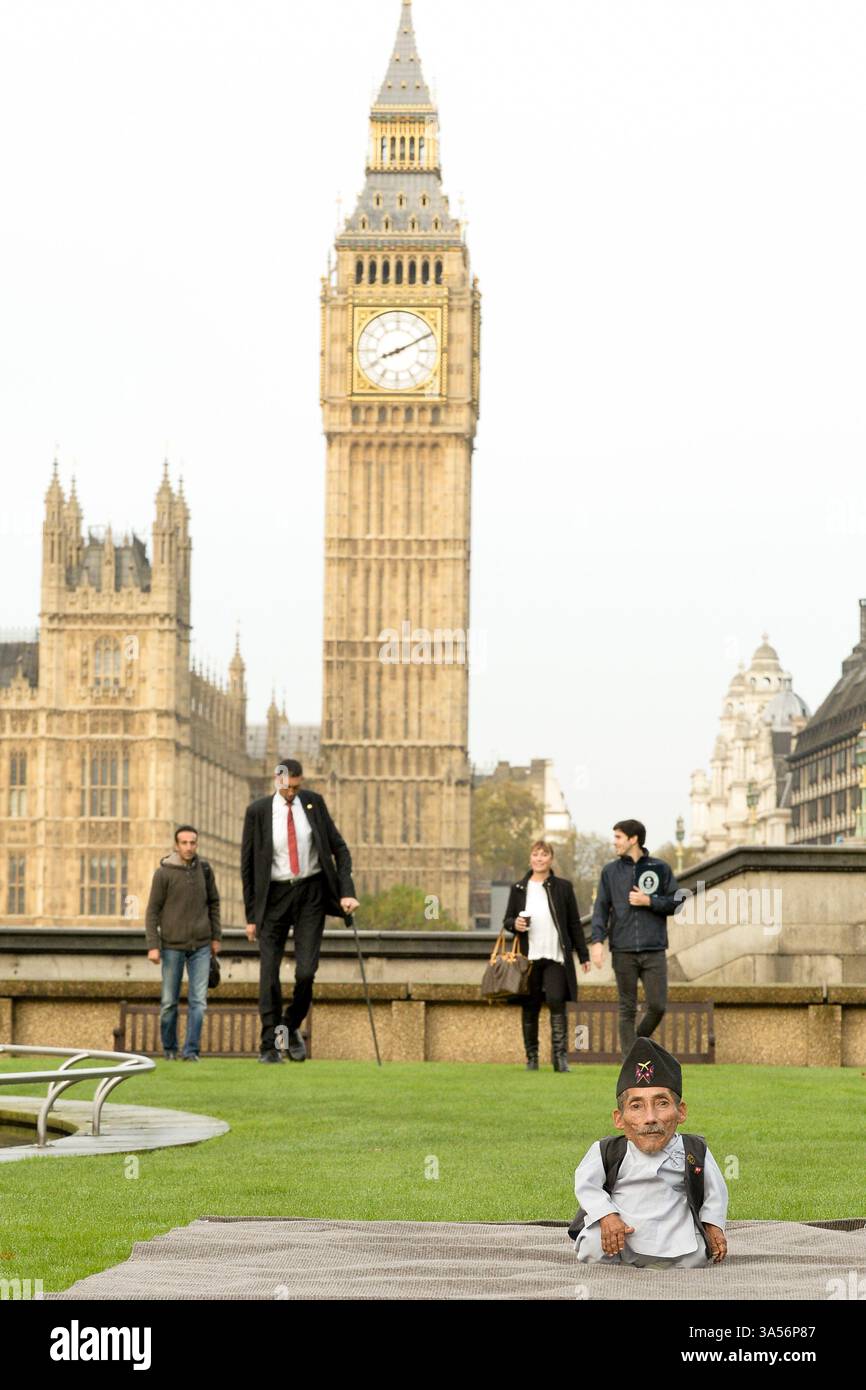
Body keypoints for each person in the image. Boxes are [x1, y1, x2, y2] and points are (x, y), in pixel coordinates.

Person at [570, 1037, 728, 1267]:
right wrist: (606, 1216)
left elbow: (716, 1192)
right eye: (636, 1106)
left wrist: (713, 1225)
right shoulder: (608, 1151)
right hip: (621, 1233)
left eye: (662, 1103)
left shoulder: (694, 1150)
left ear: (681, 1112)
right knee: (592, 1246)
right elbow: (587, 1186)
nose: (650, 1117)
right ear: (618, 1118)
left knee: (696, 1256)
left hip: (674, 1233)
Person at [242, 758, 359, 1064]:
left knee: (306, 972)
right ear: (276, 780)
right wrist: (251, 916)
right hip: (275, 896)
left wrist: (347, 892)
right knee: (269, 975)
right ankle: (269, 1046)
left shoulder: (314, 804)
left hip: (310, 894)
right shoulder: (257, 812)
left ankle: (290, 1026)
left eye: (297, 787)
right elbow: (248, 866)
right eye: (288, 787)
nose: (292, 793)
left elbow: (339, 848)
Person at [590, 818, 681, 1054]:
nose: (615, 843)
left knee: (658, 1006)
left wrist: (649, 901)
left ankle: (635, 1044)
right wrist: (597, 941)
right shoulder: (610, 872)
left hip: (654, 948)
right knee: (627, 1008)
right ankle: (630, 1063)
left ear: (633, 839)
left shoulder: (660, 868)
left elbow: (676, 902)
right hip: (623, 949)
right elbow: (600, 908)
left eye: (618, 837)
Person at [503, 840, 590, 1072]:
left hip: (555, 956)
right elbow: (507, 920)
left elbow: (573, 923)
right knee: (529, 1006)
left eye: (544, 854)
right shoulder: (519, 888)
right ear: (530, 859)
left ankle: (560, 1058)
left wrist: (583, 955)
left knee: (556, 1002)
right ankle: (531, 1058)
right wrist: (516, 924)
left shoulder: (563, 887)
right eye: (535, 854)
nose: (539, 859)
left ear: (551, 859)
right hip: (528, 958)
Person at [145, 825, 221, 1061]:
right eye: (184, 843)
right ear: (176, 846)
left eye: (193, 843)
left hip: (200, 946)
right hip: (171, 945)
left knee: (198, 1002)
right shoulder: (163, 873)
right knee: (169, 1003)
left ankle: (191, 1051)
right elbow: (152, 912)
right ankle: (169, 1049)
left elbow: (214, 903)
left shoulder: (205, 870)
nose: (189, 847)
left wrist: (216, 937)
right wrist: (153, 945)